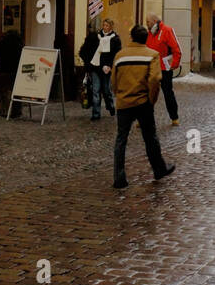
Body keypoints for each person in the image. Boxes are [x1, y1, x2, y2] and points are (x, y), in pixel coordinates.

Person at [110, 24, 176, 189]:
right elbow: (154, 80)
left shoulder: (120, 55)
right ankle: (159, 169)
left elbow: (113, 80)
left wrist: (120, 94)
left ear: (131, 37)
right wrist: (151, 99)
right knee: (150, 137)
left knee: (121, 139)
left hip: (124, 102)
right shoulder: (152, 55)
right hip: (142, 103)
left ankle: (119, 177)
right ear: (146, 38)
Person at [77, 18, 119, 120]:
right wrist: (89, 65)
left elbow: (116, 54)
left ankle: (111, 106)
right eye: (104, 25)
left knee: (106, 90)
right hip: (95, 68)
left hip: (106, 69)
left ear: (111, 27)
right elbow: (87, 51)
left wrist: (110, 66)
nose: (105, 27)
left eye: (107, 26)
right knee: (96, 90)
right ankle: (96, 114)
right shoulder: (96, 37)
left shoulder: (115, 39)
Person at [145, 13, 182, 126]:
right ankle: (144, 118)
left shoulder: (167, 30)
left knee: (168, 93)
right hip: (151, 67)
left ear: (155, 21)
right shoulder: (149, 33)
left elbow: (176, 48)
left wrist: (174, 64)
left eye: (148, 22)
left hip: (164, 68)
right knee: (148, 94)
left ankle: (174, 117)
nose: (147, 24)